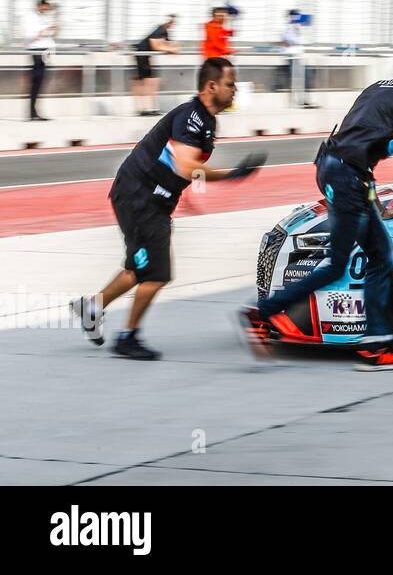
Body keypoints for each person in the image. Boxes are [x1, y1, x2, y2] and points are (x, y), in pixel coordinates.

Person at [243, 43, 393, 371]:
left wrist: (376, 205)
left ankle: (373, 341)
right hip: (346, 177)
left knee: (382, 254)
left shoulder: (382, 86)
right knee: (344, 264)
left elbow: (359, 146)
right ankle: (269, 315)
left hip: (334, 169)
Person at [69, 58, 264, 360]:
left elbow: (176, 167)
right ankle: (128, 337)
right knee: (156, 273)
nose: (234, 90)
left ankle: (91, 308)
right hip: (140, 197)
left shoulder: (205, 120)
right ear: (211, 86)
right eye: (230, 84)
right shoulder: (192, 118)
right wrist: (231, 175)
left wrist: (181, 196)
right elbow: (187, 167)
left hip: (147, 197)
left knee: (138, 267)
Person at [132, 15, 179, 116]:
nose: (172, 24)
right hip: (142, 55)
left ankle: (148, 108)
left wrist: (171, 48)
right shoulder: (160, 29)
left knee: (149, 80)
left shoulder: (164, 31)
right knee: (147, 81)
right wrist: (171, 49)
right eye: (171, 21)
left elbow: (167, 45)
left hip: (145, 56)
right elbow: (155, 45)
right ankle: (145, 109)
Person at [22, 0, 58, 121]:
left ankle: (35, 112)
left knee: (40, 82)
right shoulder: (30, 18)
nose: (46, 10)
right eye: (44, 7)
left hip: (45, 52)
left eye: (47, 8)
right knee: (36, 82)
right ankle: (32, 113)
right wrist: (46, 29)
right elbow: (30, 36)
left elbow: (50, 35)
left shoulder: (44, 18)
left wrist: (52, 28)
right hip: (36, 51)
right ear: (39, 6)